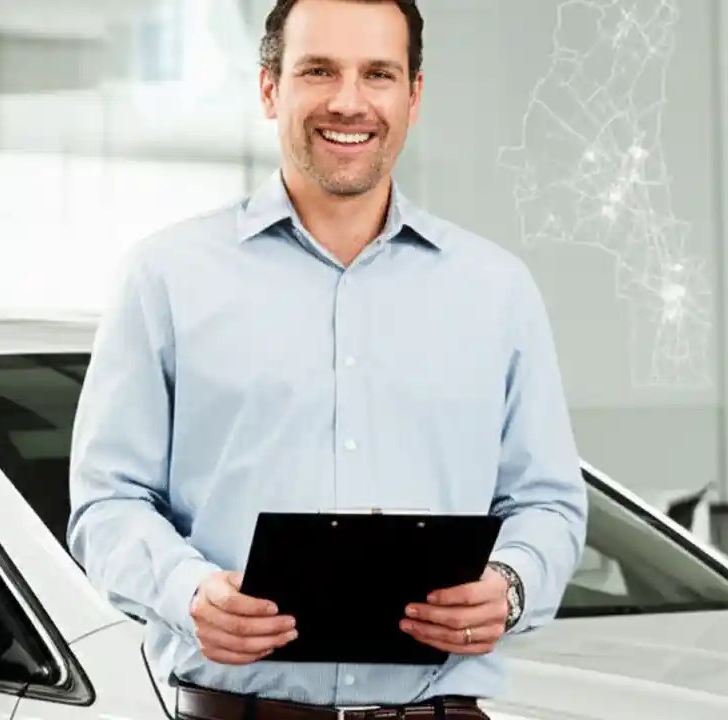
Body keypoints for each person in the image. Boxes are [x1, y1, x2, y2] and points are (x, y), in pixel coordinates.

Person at [67, 0, 587, 717]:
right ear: (269, 88)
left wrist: (513, 585)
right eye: (319, 71)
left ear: (413, 96)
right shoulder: (165, 278)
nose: (349, 101)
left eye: (378, 74)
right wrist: (188, 591)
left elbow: (548, 503)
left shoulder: (497, 291)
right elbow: (107, 502)